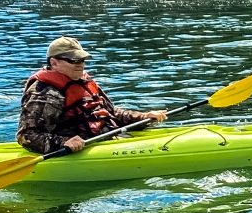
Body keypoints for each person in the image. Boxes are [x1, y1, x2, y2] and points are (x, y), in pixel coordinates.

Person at [16, 36, 167, 155]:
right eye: (74, 60)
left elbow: (110, 112)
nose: (80, 64)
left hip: (107, 139)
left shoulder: (83, 81)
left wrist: (143, 117)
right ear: (54, 63)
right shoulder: (46, 92)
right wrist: (63, 142)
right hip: (80, 150)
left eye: (82, 60)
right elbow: (27, 136)